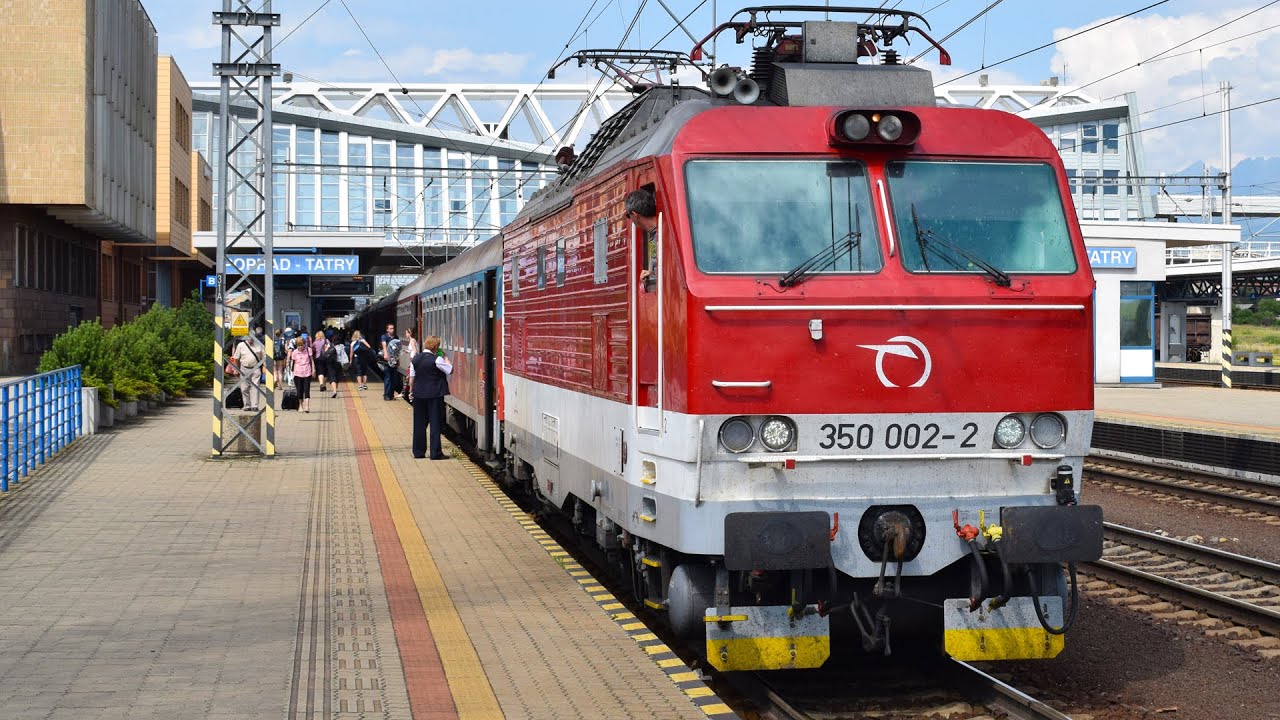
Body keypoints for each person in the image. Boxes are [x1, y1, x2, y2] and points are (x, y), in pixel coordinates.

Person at [409, 335, 452, 459]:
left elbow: (412, 377)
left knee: (419, 424)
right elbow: (450, 370)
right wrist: (445, 357)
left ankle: (418, 452)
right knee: (435, 424)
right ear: (436, 347)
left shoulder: (416, 359)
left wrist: (411, 390)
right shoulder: (437, 359)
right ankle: (435, 453)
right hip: (434, 396)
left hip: (419, 395)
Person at [625, 188, 658, 292]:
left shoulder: (662, 236)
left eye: (628, 215)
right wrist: (652, 273)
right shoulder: (654, 234)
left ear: (635, 215)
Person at [231, 335, 264, 411]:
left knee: (255, 387)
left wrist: (264, 367)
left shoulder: (259, 345)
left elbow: (264, 357)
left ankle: (254, 405)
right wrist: (236, 369)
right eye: (248, 338)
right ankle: (246, 405)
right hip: (244, 369)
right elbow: (236, 358)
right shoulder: (241, 345)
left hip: (256, 368)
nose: (250, 339)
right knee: (244, 388)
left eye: (252, 338)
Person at [287, 336, 315, 413]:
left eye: (302, 345)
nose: (300, 347)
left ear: (305, 344)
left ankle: (307, 406)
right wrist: (292, 374)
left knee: (307, 389)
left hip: (307, 372)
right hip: (297, 373)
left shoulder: (308, 350)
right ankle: (300, 405)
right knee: (299, 390)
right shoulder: (295, 352)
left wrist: (313, 370)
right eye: (299, 345)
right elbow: (292, 364)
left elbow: (311, 360)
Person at [379, 323, 399, 401]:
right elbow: (384, 345)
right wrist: (386, 354)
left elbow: (397, 348)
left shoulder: (396, 337)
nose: (392, 330)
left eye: (393, 328)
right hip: (387, 359)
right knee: (388, 377)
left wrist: (398, 359)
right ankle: (386, 395)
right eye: (390, 328)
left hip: (394, 359)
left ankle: (391, 394)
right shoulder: (384, 337)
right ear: (387, 329)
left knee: (393, 378)